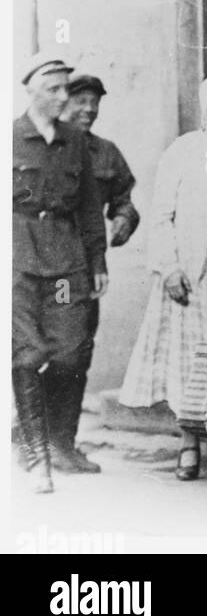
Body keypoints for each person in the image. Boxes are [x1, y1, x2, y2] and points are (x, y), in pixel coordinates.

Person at [120, 75, 207, 484]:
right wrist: (169, 267)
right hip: (189, 279)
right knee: (188, 361)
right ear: (204, 106)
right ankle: (189, 444)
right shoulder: (183, 150)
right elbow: (161, 215)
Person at [13, 54, 107, 491]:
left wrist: (97, 263)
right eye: (53, 89)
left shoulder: (75, 141)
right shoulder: (10, 136)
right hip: (19, 263)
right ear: (31, 91)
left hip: (67, 267)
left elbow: (90, 207)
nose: (62, 97)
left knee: (70, 348)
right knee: (28, 354)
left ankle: (50, 439)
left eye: (64, 89)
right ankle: (36, 455)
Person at [58, 71, 140, 470]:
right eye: (81, 101)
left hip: (86, 271)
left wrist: (125, 219)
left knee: (76, 353)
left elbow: (123, 199)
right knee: (38, 351)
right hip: (41, 267)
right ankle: (33, 434)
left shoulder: (104, 153)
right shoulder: (43, 146)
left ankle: (62, 441)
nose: (89, 110)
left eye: (95, 103)